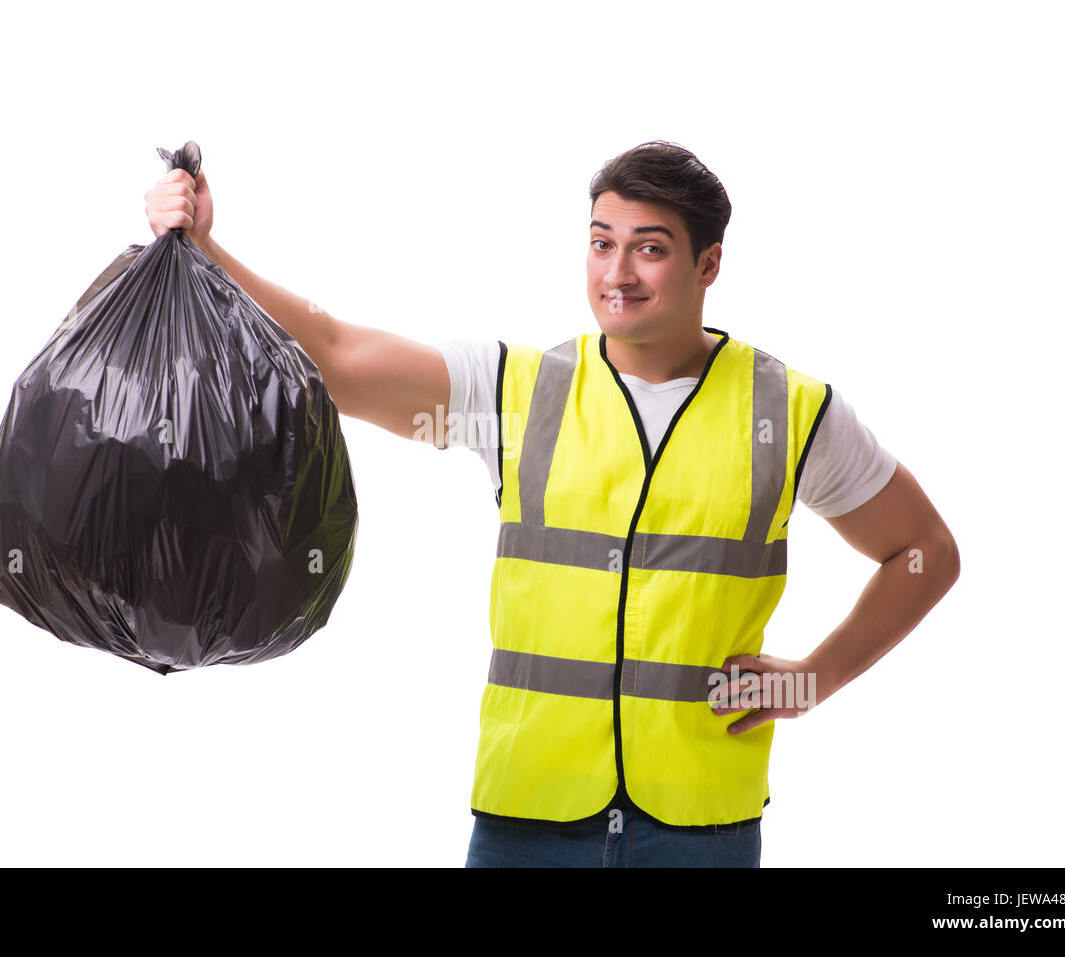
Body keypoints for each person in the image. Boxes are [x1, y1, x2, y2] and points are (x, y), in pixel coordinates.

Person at [143, 140, 960, 868]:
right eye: (603, 244)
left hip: (700, 832)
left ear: (709, 264)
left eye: (650, 249)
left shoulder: (789, 412)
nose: (618, 273)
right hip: (527, 820)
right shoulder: (519, 392)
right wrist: (210, 249)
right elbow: (336, 353)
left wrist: (815, 678)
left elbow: (923, 551)